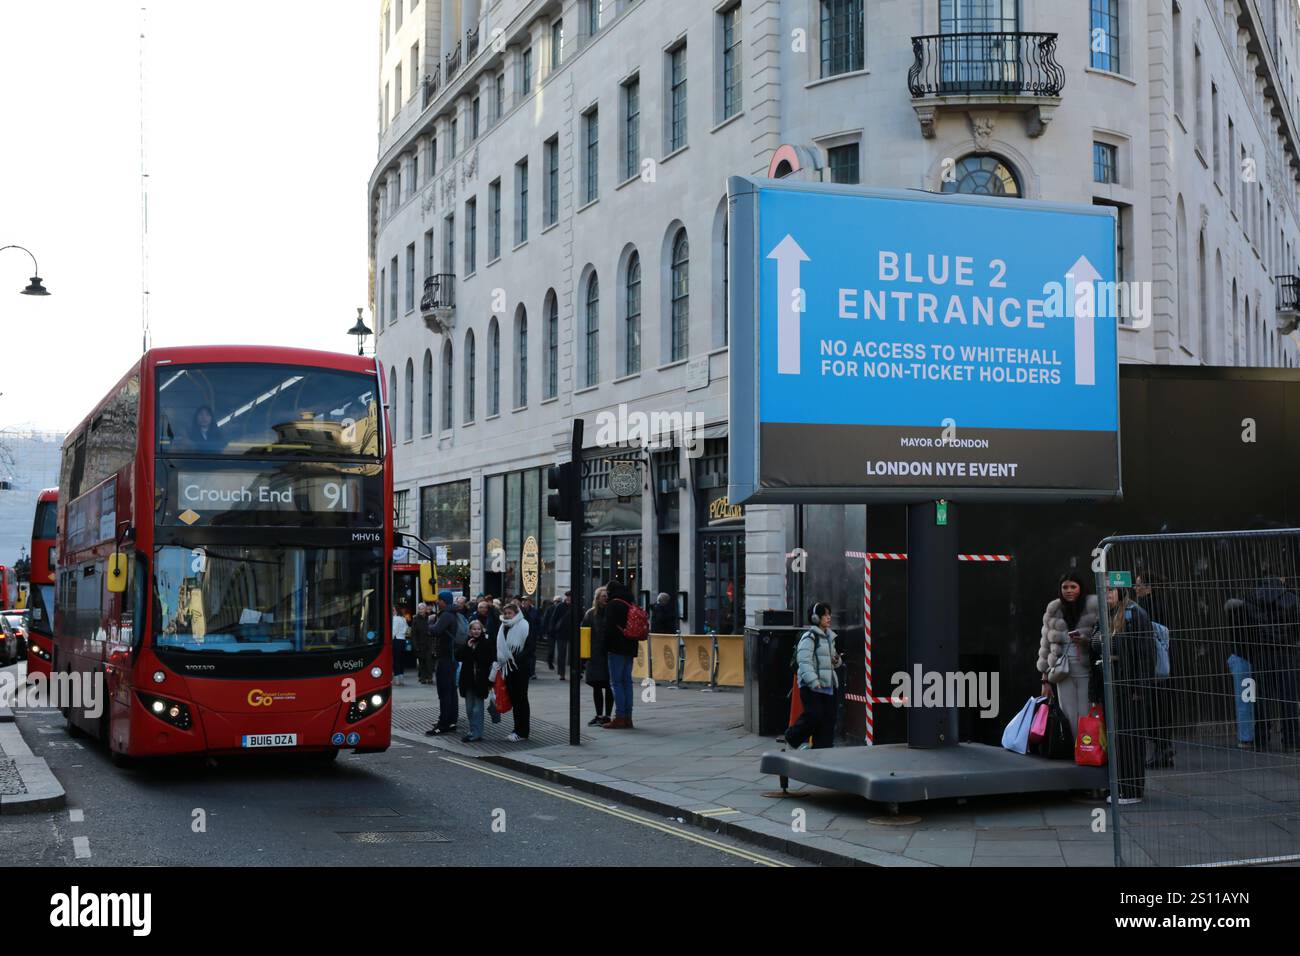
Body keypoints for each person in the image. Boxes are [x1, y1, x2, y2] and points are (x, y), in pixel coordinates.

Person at [1095, 586, 1156, 804]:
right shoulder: (1109, 614)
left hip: (1130, 687)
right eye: (1104, 590)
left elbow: (1145, 654)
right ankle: (1122, 787)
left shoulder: (1134, 614)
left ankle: (1132, 790)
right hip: (1116, 686)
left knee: (1131, 737)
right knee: (1119, 737)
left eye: (1112, 590)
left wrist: (1140, 688)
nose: (1107, 594)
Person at [1036, 572, 1100, 741]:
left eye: (1073, 587)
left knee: (1086, 711)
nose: (1069, 590)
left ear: (1081, 588)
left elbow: (1103, 638)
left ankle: (1088, 747)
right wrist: (1045, 679)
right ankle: (1073, 748)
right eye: (1065, 587)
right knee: (1067, 712)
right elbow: (1045, 645)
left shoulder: (1093, 606)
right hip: (1061, 670)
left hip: (1087, 669)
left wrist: (1087, 640)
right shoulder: (1054, 609)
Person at [1246, 569, 1300, 751]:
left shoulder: (1252, 598)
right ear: (1282, 579)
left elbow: (1247, 627)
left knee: (1261, 697)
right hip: (1286, 652)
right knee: (1289, 698)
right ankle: (1292, 739)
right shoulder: (1292, 599)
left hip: (1261, 653)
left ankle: (1261, 738)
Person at [782, 603, 840, 749]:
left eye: (829, 614)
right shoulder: (809, 637)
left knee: (828, 720)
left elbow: (833, 660)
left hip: (828, 685)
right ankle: (792, 737)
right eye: (825, 614)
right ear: (815, 618)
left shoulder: (829, 637)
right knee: (814, 716)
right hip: (811, 686)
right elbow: (804, 660)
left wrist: (837, 660)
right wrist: (813, 681)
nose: (828, 617)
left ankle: (822, 749)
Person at [1134, 572, 1175, 768]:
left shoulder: (1146, 607)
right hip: (1162, 663)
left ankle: (1162, 748)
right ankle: (1164, 748)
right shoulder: (1163, 603)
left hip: (1152, 664)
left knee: (1154, 709)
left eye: (1139, 585)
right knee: (1160, 708)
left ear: (1149, 588)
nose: (1136, 588)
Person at [602, 578, 640, 729]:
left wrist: (604, 647)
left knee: (616, 683)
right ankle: (628, 717)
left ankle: (620, 716)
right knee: (627, 682)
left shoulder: (613, 605)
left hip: (616, 648)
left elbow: (609, 629)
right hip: (630, 647)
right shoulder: (629, 603)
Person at [425, 591, 460, 736]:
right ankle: (451, 720)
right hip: (451, 658)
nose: (437, 602)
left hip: (446, 658)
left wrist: (430, 623)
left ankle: (443, 723)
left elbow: (436, 631)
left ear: (444, 601)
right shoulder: (453, 613)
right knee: (451, 691)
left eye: (439, 600)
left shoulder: (446, 615)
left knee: (444, 692)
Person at [495, 601, 531, 741]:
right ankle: (517, 729)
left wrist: (515, 660)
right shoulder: (503, 626)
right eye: (505, 613)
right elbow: (500, 646)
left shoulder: (524, 625)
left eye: (510, 613)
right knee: (515, 700)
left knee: (521, 700)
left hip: (520, 669)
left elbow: (529, 647)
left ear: (517, 614)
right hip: (507, 668)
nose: (507, 616)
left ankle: (523, 732)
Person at [457, 619, 495, 742]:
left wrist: (490, 681)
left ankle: (476, 733)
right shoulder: (467, 642)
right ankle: (472, 730)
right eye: (474, 629)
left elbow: (489, 661)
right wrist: (468, 647)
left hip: (481, 681)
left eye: (479, 629)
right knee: (469, 708)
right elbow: (458, 656)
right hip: (468, 680)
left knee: (477, 709)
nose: (476, 631)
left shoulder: (487, 643)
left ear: (482, 630)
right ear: (470, 631)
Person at [582, 587, 613, 725]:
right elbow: (584, 634)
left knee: (609, 686)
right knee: (596, 685)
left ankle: (607, 715)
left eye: (606, 596)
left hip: (608, 654)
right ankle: (599, 714)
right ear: (597, 598)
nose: (605, 598)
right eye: (602, 596)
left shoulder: (611, 613)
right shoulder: (590, 614)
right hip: (594, 655)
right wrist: (584, 656)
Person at [549, 592, 573, 680]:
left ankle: (575, 672)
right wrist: (552, 631)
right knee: (561, 655)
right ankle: (561, 673)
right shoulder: (560, 606)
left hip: (573, 634)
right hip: (561, 634)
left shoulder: (576, 606)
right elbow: (553, 618)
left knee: (573, 654)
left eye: (571, 597)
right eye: (568, 597)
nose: (569, 599)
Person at [519, 594, 542, 678]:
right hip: (522, 636)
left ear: (530, 602)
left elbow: (538, 622)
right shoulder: (519, 611)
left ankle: (532, 672)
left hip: (532, 636)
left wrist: (538, 633)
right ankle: (525, 671)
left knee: (531, 654)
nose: (524, 602)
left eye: (526, 600)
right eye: (523, 600)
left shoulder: (534, 611)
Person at [412, 602, 434, 685]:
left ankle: (429, 677)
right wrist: (415, 646)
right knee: (422, 662)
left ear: (425, 609)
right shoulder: (415, 619)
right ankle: (422, 678)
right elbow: (413, 634)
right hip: (420, 643)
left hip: (429, 643)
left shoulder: (430, 617)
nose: (420, 610)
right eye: (419, 609)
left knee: (429, 661)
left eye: (422, 609)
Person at [391, 606, 409, 686]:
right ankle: (401, 678)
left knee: (396, 660)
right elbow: (407, 629)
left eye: (393, 610)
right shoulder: (403, 618)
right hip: (403, 640)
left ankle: (397, 679)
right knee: (401, 660)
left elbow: (394, 631)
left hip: (396, 640)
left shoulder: (395, 619)